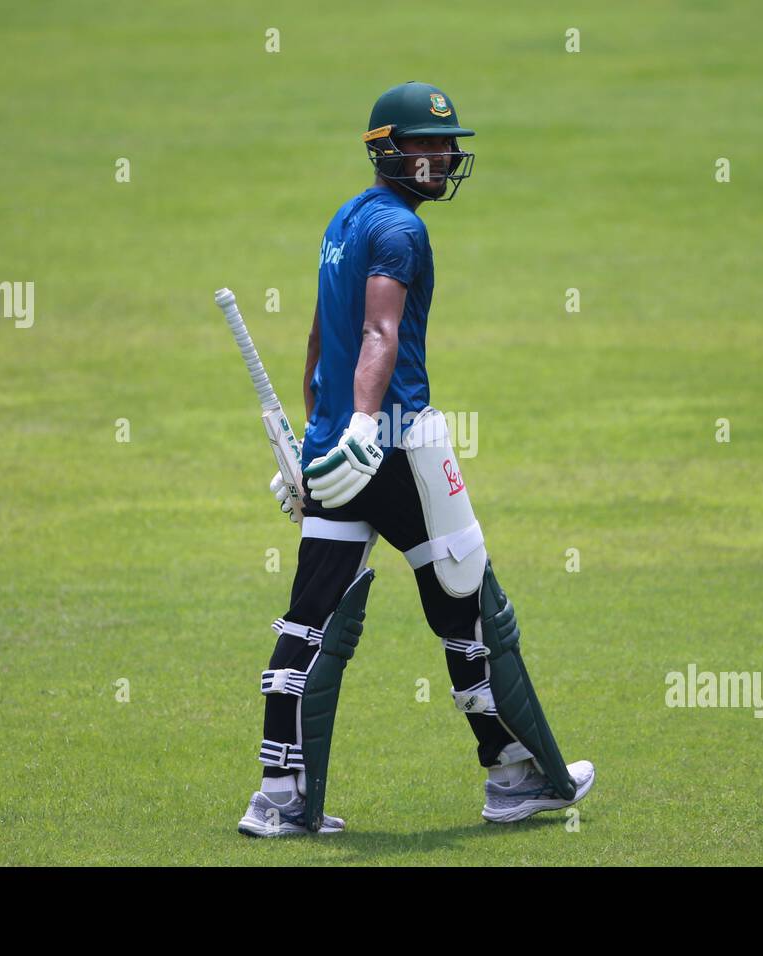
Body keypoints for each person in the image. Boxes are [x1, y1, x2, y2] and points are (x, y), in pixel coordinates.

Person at [237, 81, 595, 837]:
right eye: (424, 144)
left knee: (311, 615)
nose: (439, 157)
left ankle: (276, 797)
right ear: (386, 150)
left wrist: (317, 444)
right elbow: (375, 335)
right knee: (466, 602)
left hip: (340, 452)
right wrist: (368, 425)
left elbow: (315, 343)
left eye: (444, 144)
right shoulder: (401, 231)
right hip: (395, 448)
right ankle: (514, 776)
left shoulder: (345, 219)